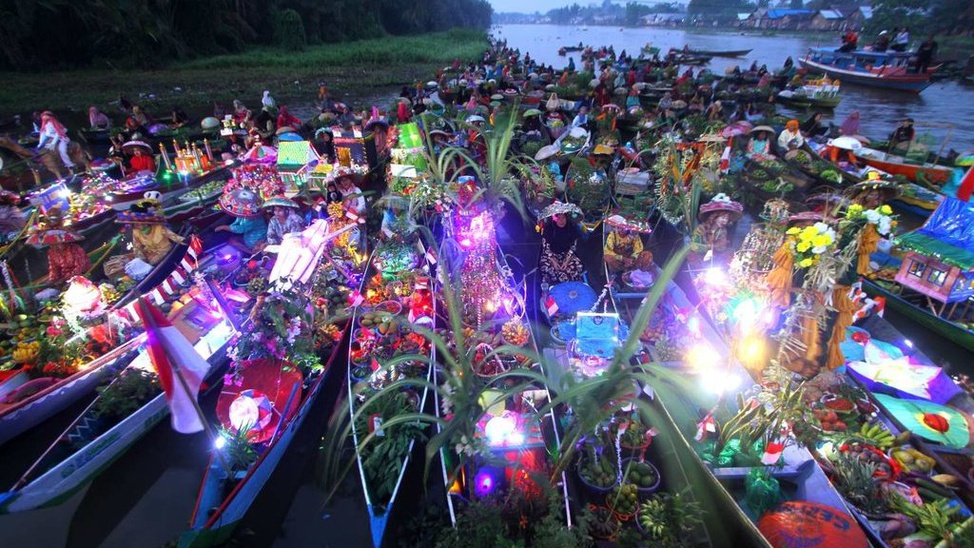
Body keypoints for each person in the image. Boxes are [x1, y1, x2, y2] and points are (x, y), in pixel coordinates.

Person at [27, 207, 90, 285]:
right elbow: (54, 269)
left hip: (81, 278)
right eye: (52, 243)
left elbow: (80, 268)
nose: (55, 245)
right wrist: (51, 280)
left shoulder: (75, 249)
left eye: (58, 242)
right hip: (64, 280)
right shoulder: (52, 252)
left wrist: (64, 279)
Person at [690, 194, 743, 264]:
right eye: (722, 217)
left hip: (715, 260)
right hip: (699, 259)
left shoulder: (722, 231)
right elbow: (694, 246)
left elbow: (721, 247)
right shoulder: (700, 229)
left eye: (727, 218)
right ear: (714, 217)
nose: (725, 221)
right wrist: (710, 247)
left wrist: (717, 248)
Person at [539, 205, 583, 285]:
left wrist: (567, 261)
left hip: (567, 254)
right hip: (551, 254)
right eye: (558, 218)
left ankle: (567, 280)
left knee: (578, 265)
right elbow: (545, 245)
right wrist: (553, 260)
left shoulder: (571, 227)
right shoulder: (549, 228)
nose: (561, 221)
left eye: (563, 218)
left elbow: (573, 246)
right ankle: (554, 282)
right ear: (555, 219)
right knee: (545, 267)